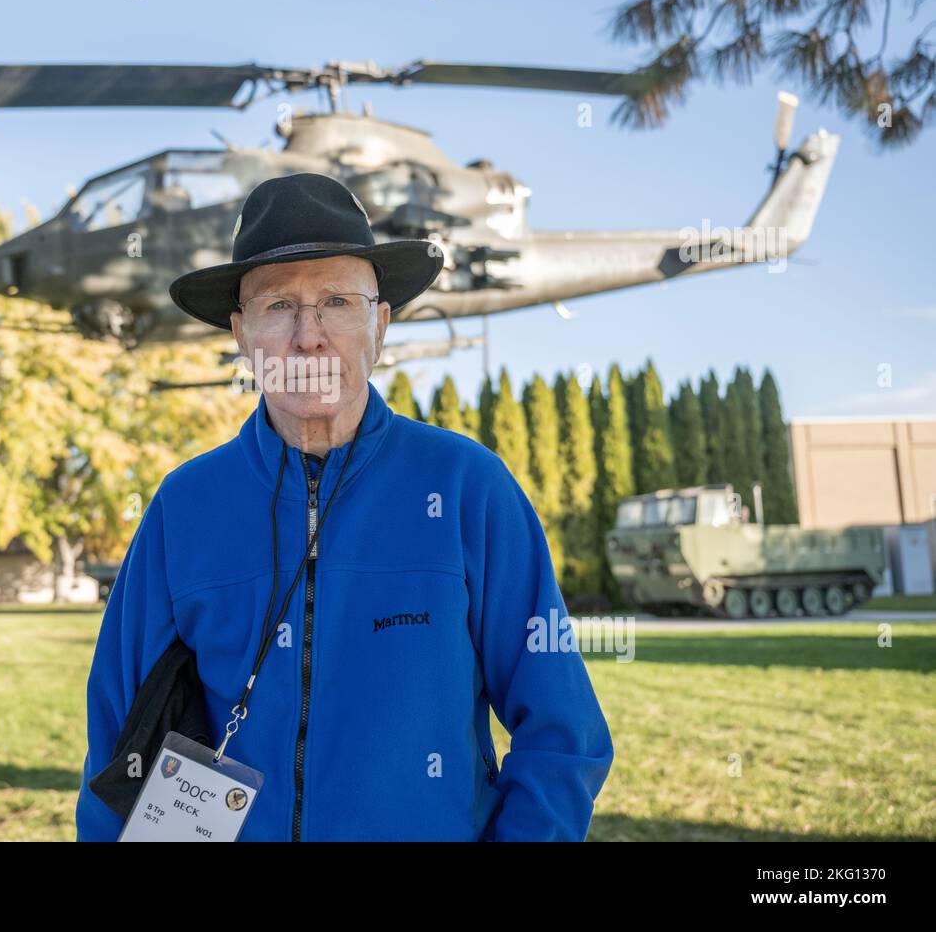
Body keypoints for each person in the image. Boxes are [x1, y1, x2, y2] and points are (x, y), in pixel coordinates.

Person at [76, 172, 613, 841]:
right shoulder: (183, 507)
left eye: (336, 301)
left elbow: (564, 733)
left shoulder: (468, 486)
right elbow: (117, 740)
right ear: (243, 336)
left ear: (379, 325)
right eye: (278, 307)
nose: (308, 336)